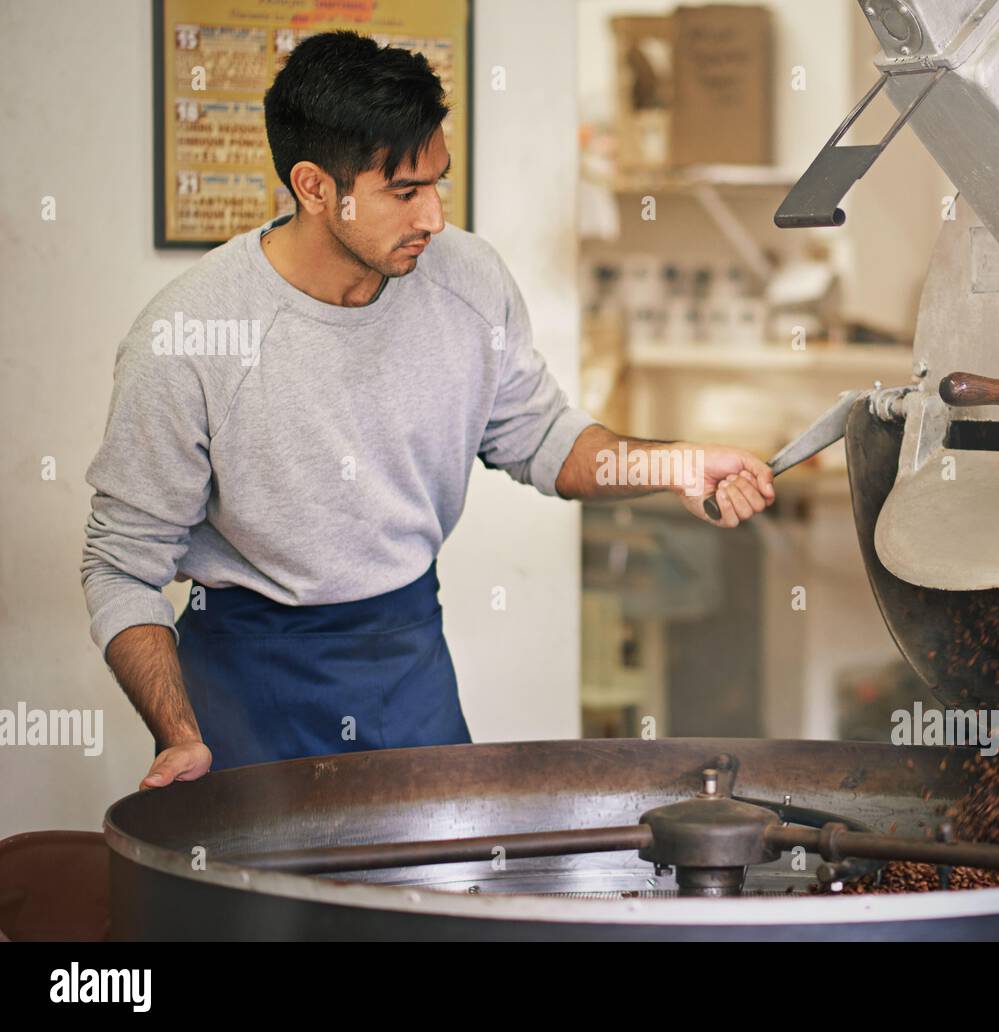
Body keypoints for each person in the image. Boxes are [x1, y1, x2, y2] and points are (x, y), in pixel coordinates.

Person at [80, 31, 775, 789]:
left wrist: (676, 463)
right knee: (265, 911)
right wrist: (179, 735)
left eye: (438, 183)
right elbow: (121, 565)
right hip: (247, 680)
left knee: (438, 895)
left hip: (406, 659)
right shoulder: (187, 339)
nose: (435, 218)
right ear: (314, 188)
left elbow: (545, 439)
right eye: (405, 192)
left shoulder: (468, 282)